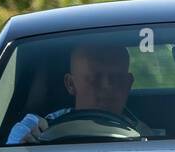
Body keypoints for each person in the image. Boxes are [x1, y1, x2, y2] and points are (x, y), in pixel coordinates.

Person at [8, 43, 148, 144]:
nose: (107, 86)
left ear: (128, 84)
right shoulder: (33, 129)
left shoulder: (148, 135)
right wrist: (21, 145)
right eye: (94, 79)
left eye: (116, 79)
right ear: (70, 84)